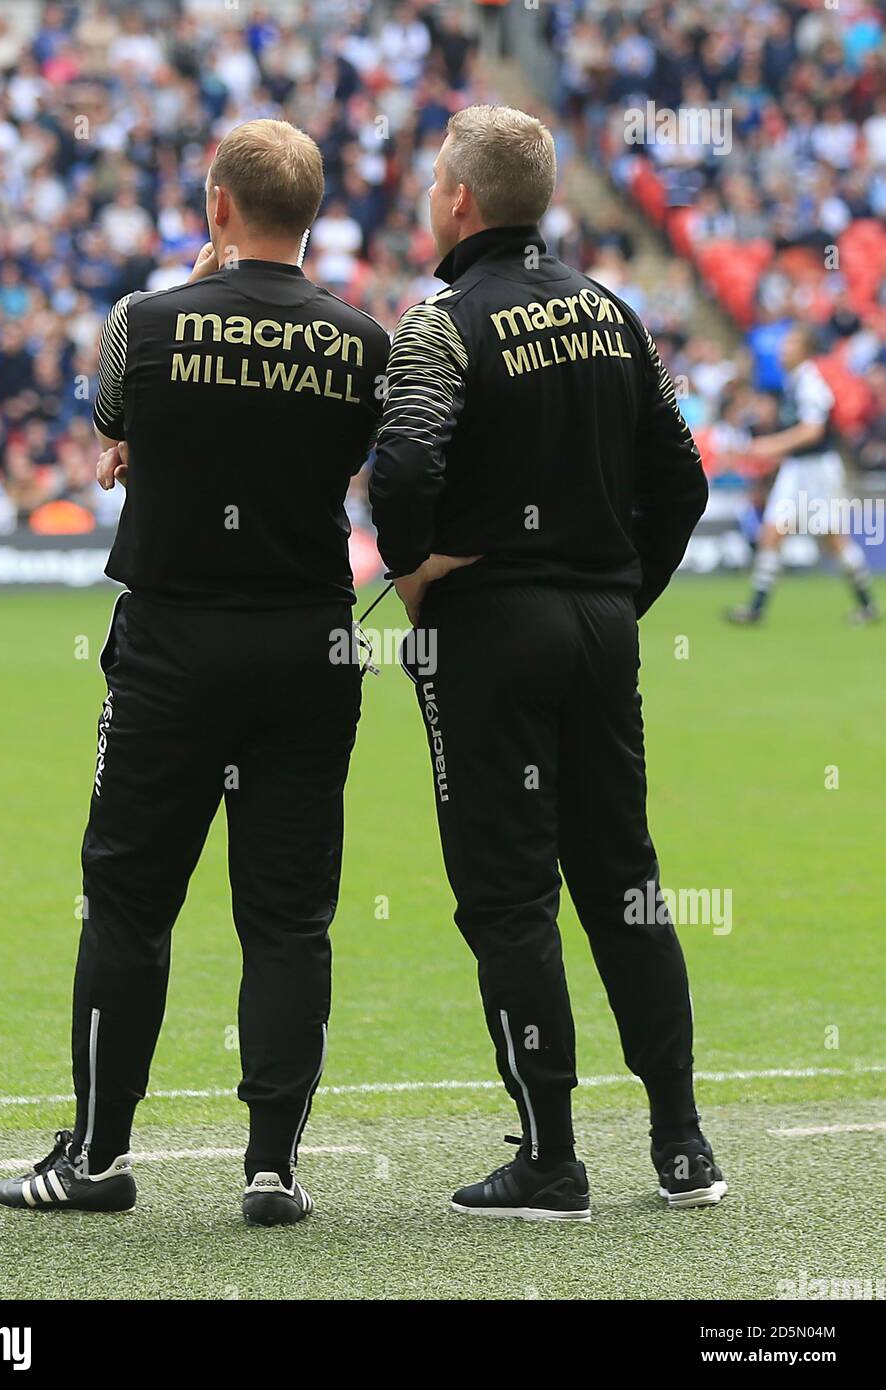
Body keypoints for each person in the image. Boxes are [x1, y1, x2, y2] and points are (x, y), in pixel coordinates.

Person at [0, 119, 390, 1227]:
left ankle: (100, 1155)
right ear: (310, 217)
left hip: (173, 642)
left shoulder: (145, 322)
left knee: (127, 904)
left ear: (216, 207)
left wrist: (188, 314)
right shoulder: (366, 341)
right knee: (288, 916)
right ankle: (271, 1168)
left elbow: (118, 416)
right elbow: (369, 459)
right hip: (309, 642)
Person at [370, 104, 725, 1221]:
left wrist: (415, 570)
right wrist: (619, 592)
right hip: (599, 629)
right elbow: (685, 482)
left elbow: (399, 470)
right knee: (625, 880)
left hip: (488, 633)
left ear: (462, 201)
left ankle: (551, 1156)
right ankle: (681, 1144)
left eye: (436, 181)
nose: (430, 197)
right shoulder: (617, 316)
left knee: (509, 894)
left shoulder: (439, 323)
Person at [725, 325, 878, 626]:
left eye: (791, 344)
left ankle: (867, 605)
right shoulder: (794, 381)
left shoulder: (811, 381)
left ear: (805, 349)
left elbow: (813, 430)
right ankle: (755, 608)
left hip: (817, 468)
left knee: (833, 540)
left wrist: (770, 446)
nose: (783, 349)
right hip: (798, 467)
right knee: (772, 531)